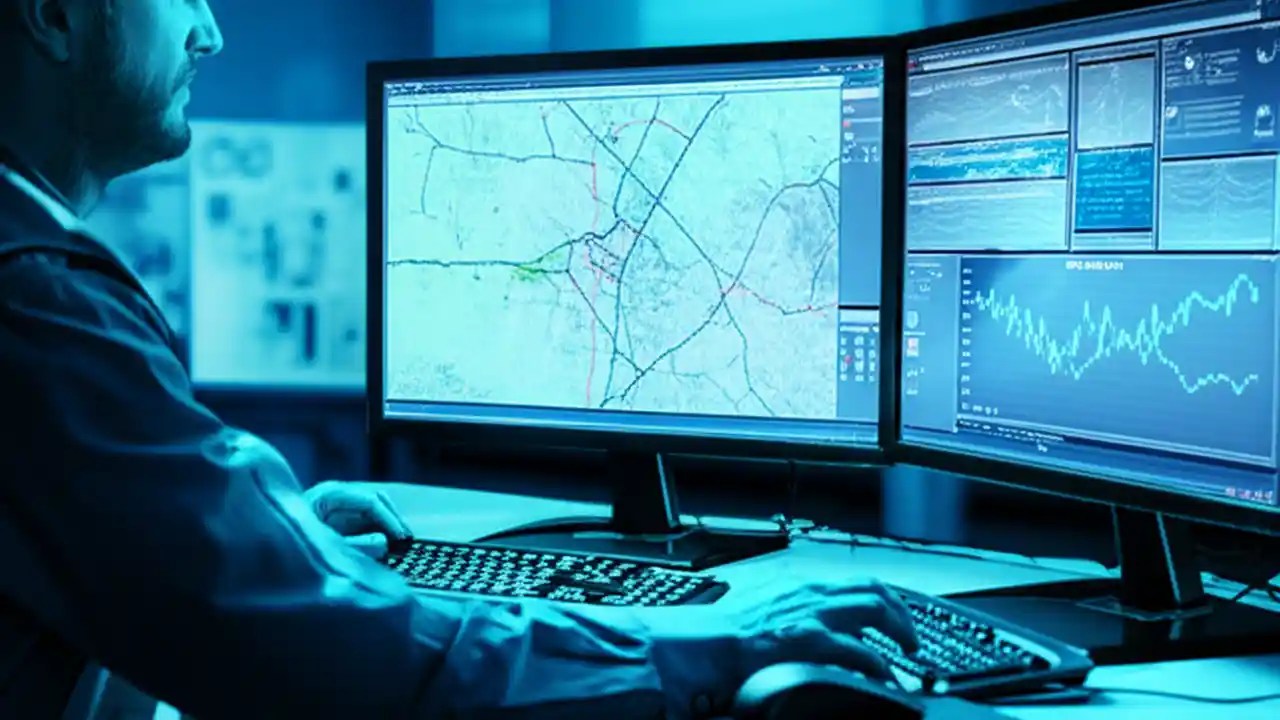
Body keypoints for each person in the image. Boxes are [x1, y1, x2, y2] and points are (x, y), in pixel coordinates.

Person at [0, 1, 920, 718]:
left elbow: (124, 562)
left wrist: (261, 531)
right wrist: (697, 650)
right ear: (55, 15)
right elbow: (334, 657)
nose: (213, 32)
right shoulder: (38, 299)